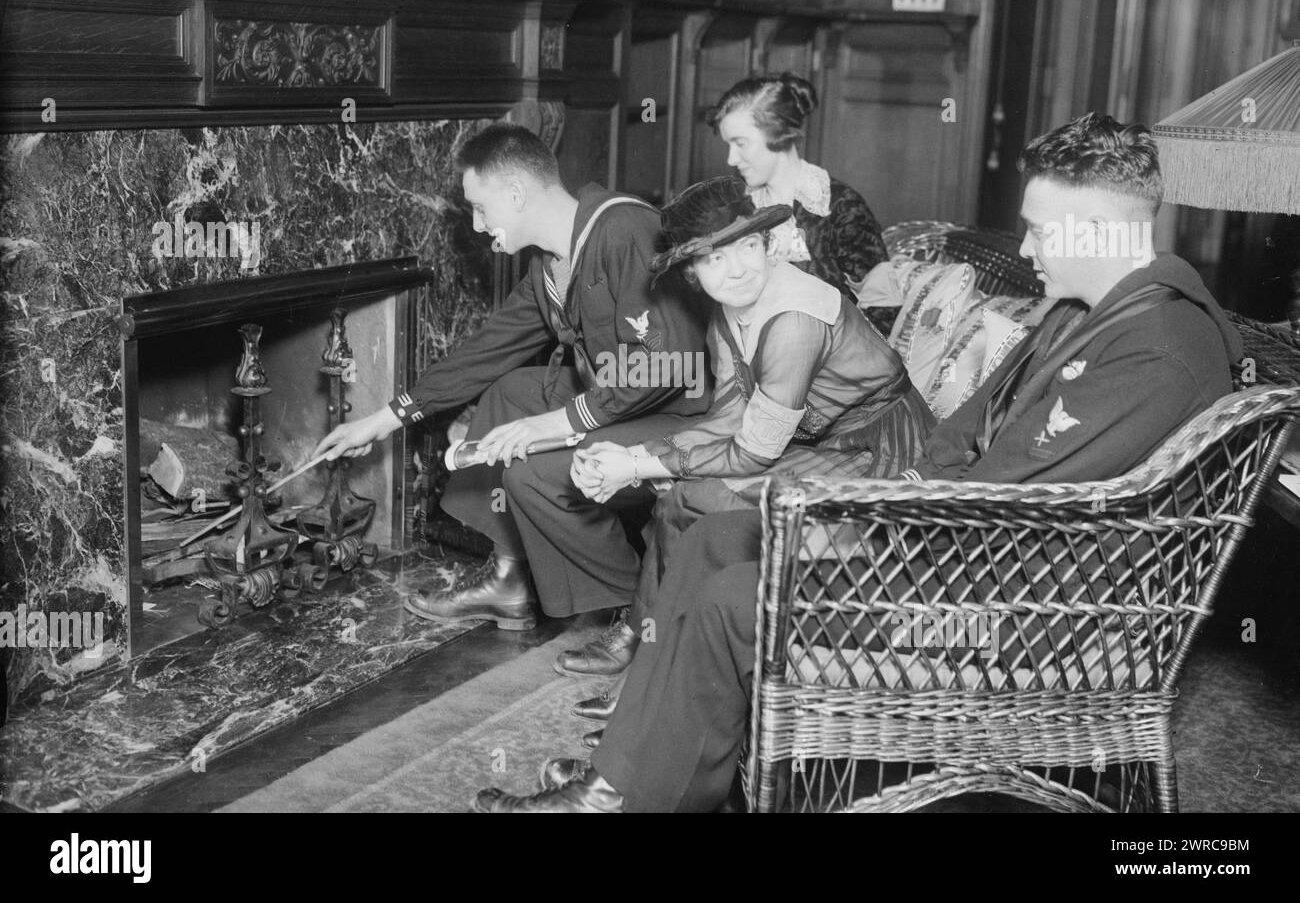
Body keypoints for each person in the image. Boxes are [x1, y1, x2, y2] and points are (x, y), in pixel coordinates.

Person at [473, 111, 1246, 811]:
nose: (1029, 247)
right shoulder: (1087, 312)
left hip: (1010, 612)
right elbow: (963, 434)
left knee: (728, 596)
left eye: (1041, 230)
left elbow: (1008, 503)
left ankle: (617, 802)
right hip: (965, 544)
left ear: (1097, 231)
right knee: (714, 538)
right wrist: (902, 492)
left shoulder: (1159, 349)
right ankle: (637, 769)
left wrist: (866, 527)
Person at [313, 124, 710, 641]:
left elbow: (674, 363)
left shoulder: (626, 230)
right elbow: (487, 349)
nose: (478, 226)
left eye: (481, 208)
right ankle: (510, 578)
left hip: (682, 414)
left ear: (517, 194)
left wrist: (562, 422)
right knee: (509, 391)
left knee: (532, 475)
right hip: (621, 400)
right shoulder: (551, 264)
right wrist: (384, 418)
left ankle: (635, 617)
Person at [557, 176, 933, 691]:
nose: (735, 268)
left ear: (768, 245)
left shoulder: (795, 318)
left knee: (711, 505)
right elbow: (731, 416)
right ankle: (649, 644)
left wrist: (639, 467)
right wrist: (631, 454)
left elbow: (754, 450)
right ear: (691, 271)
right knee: (676, 502)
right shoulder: (730, 311)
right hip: (809, 439)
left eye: (747, 246)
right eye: (714, 259)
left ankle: (678, 677)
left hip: (874, 446)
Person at [712, 72, 888, 299]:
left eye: (741, 144)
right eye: (729, 145)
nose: (731, 159)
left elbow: (881, 307)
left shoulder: (840, 206)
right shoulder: (738, 208)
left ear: (777, 133)